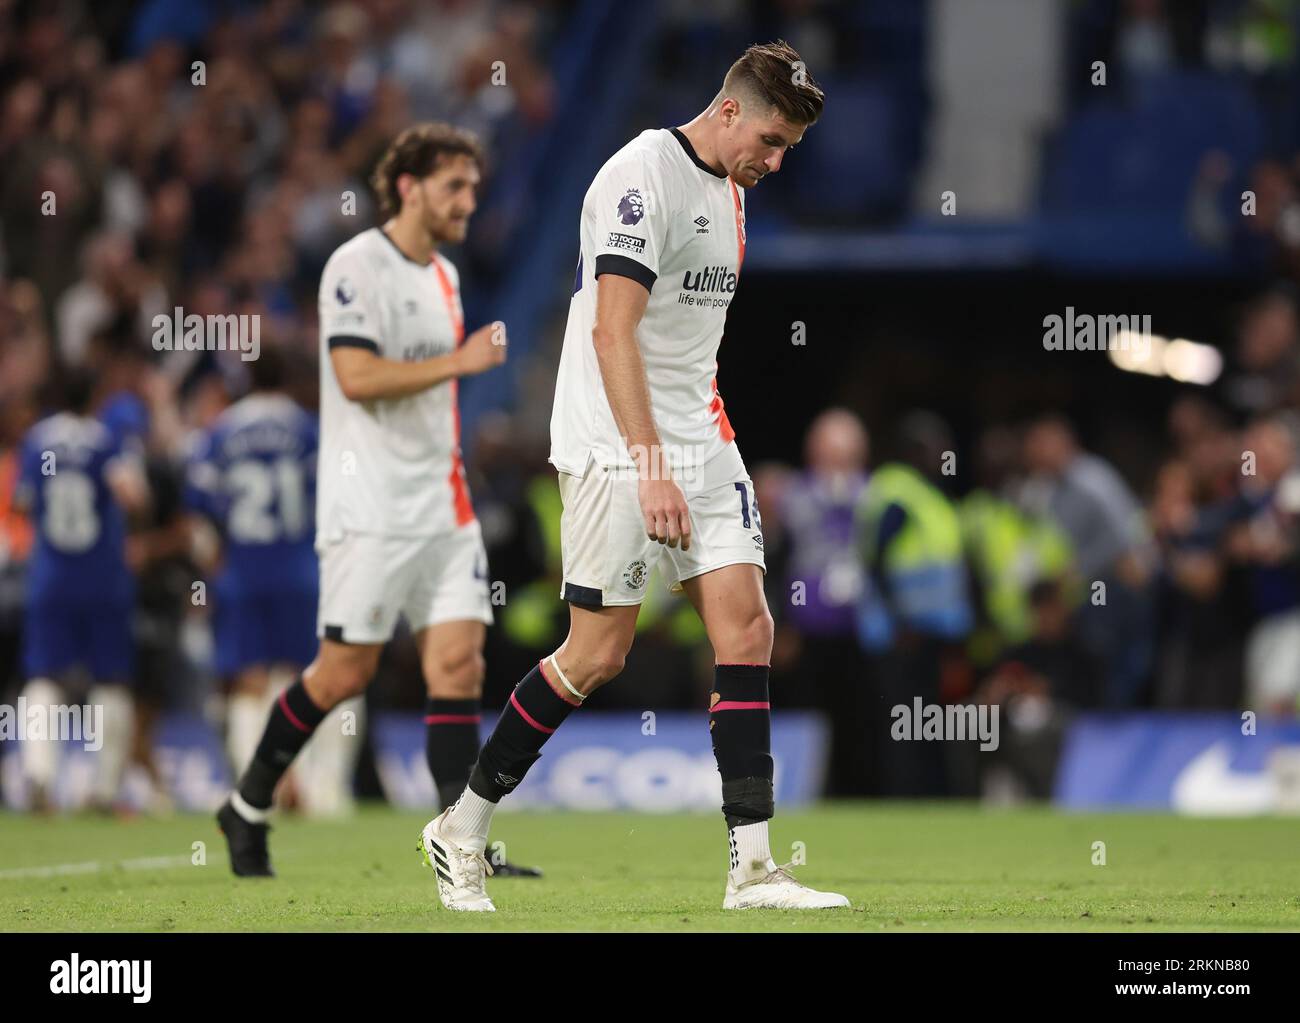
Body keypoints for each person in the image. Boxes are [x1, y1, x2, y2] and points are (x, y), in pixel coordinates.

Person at [420, 40, 848, 912]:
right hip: (616, 440)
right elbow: (614, 332)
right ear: (728, 110)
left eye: (787, 150)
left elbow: (687, 344)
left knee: (748, 627)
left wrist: (693, 451)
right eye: (770, 141)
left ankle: (753, 869)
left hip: (700, 433)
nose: (774, 162)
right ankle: (460, 827)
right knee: (597, 653)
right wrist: (652, 467)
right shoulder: (638, 177)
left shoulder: (732, 191)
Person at [215, 122, 536, 876]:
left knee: (457, 666)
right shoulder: (354, 266)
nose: (468, 201)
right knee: (343, 673)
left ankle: (461, 843)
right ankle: (248, 804)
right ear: (408, 186)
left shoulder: (446, 276)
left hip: (443, 504)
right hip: (369, 507)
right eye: (454, 186)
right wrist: (459, 361)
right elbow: (355, 378)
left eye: (473, 188)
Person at [14, 369, 149, 811]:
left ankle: (38, 776)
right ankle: (105, 788)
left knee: (44, 674)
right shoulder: (107, 440)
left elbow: (22, 501)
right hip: (103, 579)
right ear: (95, 396)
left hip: (51, 577)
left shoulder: (38, 441)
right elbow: (134, 496)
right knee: (110, 676)